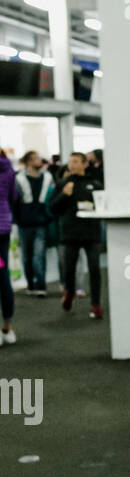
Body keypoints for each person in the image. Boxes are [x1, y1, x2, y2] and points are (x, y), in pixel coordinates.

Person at [48, 150, 104, 319]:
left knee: (94, 268)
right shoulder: (63, 184)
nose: (71, 164)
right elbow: (53, 209)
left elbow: (102, 204)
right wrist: (65, 195)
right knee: (69, 269)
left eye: (76, 161)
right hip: (70, 233)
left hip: (91, 232)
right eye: (70, 161)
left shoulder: (94, 184)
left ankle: (96, 304)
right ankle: (69, 293)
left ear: (85, 164)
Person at [15, 149, 53, 298]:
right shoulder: (19, 179)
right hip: (24, 223)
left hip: (41, 222)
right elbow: (15, 201)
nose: (40, 160)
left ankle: (41, 285)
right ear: (29, 161)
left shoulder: (48, 178)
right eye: (36, 158)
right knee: (27, 256)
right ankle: (31, 283)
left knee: (39, 254)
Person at [0, 147, 19, 343]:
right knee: (3, 276)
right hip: (2, 228)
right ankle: (7, 326)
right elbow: (14, 196)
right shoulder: (8, 170)